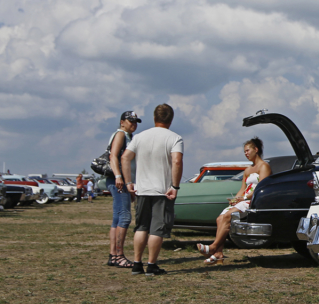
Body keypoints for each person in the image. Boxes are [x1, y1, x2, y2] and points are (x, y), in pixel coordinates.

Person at [121, 104, 183, 276]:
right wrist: (175, 186)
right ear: (171, 119)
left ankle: (137, 263)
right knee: (157, 229)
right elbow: (177, 161)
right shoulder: (175, 138)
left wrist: (128, 182)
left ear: (154, 118)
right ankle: (151, 264)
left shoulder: (139, 137)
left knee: (141, 227)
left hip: (142, 189)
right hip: (162, 190)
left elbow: (125, 157)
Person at [197, 138, 271, 264]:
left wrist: (244, 198)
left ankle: (213, 247)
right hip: (243, 200)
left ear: (256, 149)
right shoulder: (248, 170)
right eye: (244, 151)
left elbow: (260, 187)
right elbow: (242, 189)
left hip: (253, 200)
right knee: (220, 219)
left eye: (247, 150)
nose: (246, 153)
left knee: (227, 216)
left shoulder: (264, 166)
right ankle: (218, 254)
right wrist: (235, 199)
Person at [106, 111, 140, 268]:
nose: (134, 124)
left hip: (122, 181)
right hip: (119, 181)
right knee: (125, 217)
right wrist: (119, 176)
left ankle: (113, 255)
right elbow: (113, 156)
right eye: (130, 121)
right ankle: (119, 256)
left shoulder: (128, 136)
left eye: (135, 121)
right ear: (122, 122)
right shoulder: (120, 134)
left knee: (118, 217)